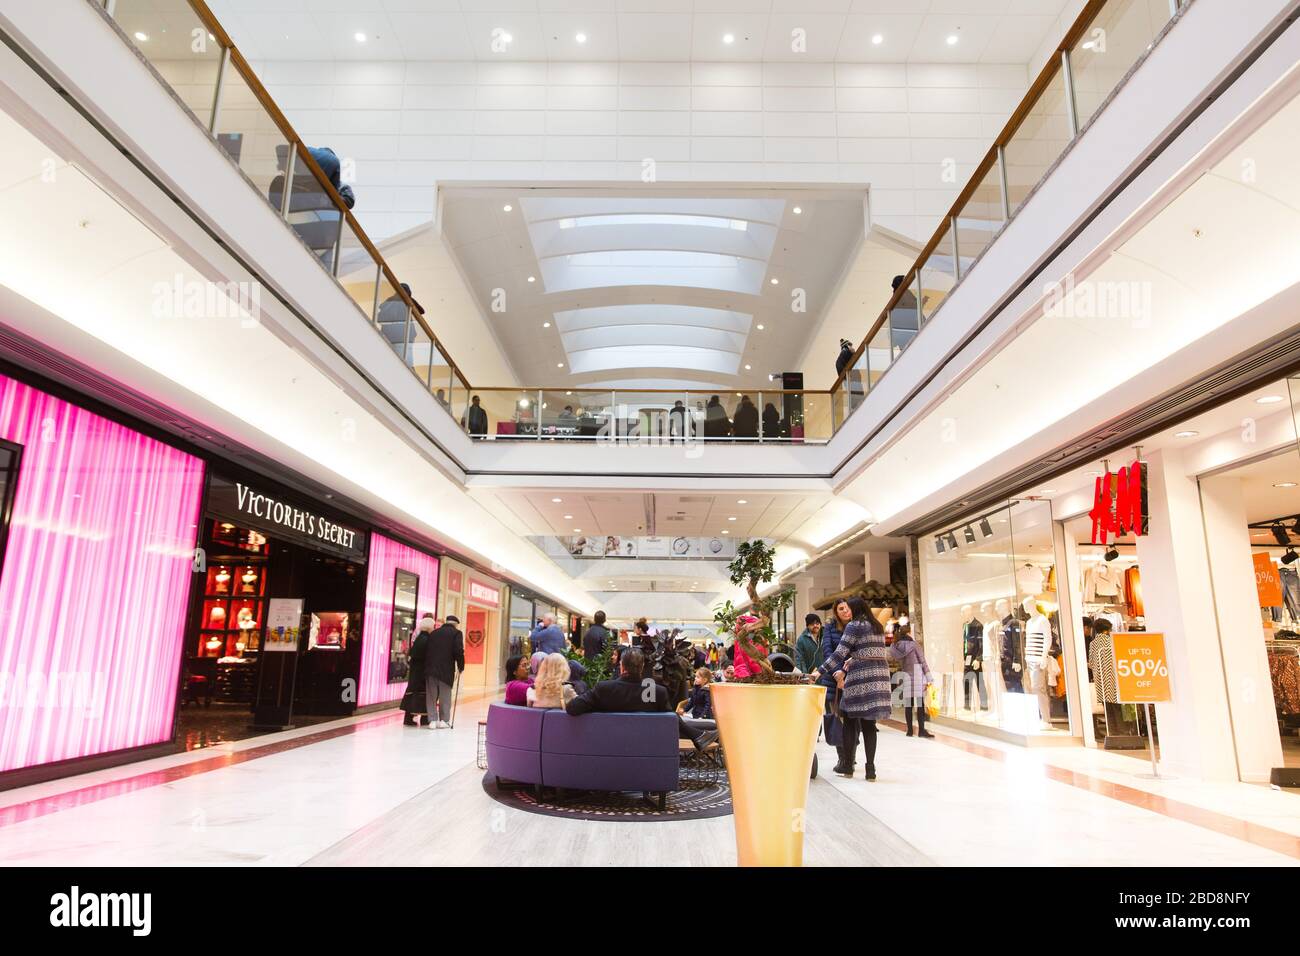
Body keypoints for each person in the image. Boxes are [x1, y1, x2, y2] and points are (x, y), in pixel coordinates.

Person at [565, 647, 719, 750]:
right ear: (642, 667)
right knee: (671, 716)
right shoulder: (656, 692)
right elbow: (669, 721)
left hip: (608, 747)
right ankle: (697, 735)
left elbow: (572, 708)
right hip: (646, 749)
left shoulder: (604, 689)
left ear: (621, 667)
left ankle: (697, 735)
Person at [812, 597, 891, 781]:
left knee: (848, 719)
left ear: (855, 609)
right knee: (869, 724)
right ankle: (870, 770)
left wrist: (820, 671)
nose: (848, 612)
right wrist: (855, 657)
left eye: (849, 609)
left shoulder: (854, 625)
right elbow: (874, 652)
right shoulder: (877, 626)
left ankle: (848, 766)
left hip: (861, 679)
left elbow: (839, 653)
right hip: (879, 678)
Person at [887, 618, 933, 738]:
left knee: (908, 704)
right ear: (907, 633)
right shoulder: (914, 645)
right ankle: (922, 731)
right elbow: (922, 661)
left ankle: (909, 731)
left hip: (905, 675)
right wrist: (929, 678)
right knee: (920, 704)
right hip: (917, 674)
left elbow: (891, 658)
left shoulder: (894, 647)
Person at [424, 614, 464, 728]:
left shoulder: (434, 633)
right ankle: (444, 720)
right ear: (455, 624)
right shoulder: (456, 633)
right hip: (446, 670)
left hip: (430, 669)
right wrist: (461, 666)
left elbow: (427, 650)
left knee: (431, 696)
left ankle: (432, 720)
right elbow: (458, 651)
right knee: (445, 696)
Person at [401, 614, 435, 726]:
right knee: (423, 695)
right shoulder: (428, 640)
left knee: (412, 693)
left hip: (415, 672)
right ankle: (425, 719)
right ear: (430, 627)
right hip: (422, 673)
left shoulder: (419, 639)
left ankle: (408, 718)